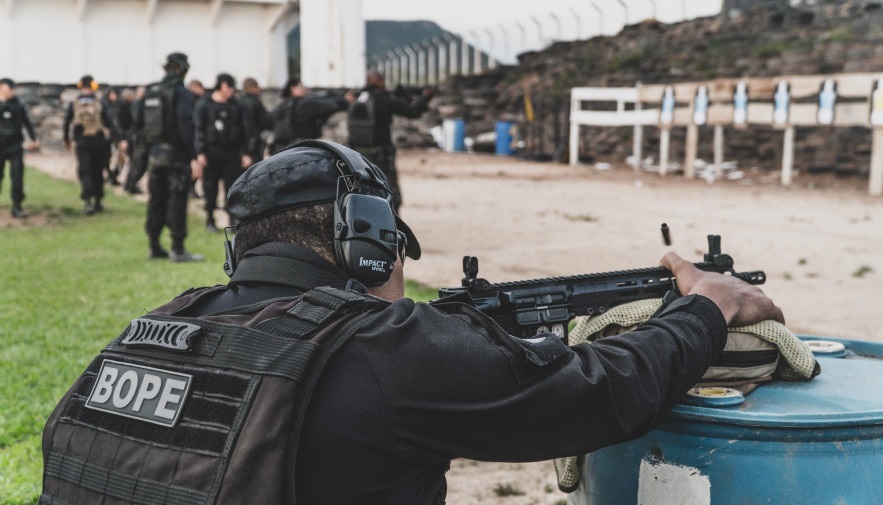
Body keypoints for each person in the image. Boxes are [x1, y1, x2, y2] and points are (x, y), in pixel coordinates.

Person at [39, 141, 784, 504]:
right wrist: (709, 304)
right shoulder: (386, 350)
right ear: (366, 241)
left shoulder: (147, 334)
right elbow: (601, 391)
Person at [139, 52, 203, 261]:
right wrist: (193, 156)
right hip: (175, 155)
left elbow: (139, 122)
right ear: (181, 69)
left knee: (156, 199)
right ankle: (177, 248)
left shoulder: (152, 91)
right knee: (176, 199)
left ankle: (154, 245)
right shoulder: (180, 93)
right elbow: (185, 126)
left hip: (155, 154)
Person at [347, 69, 432, 212]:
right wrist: (425, 97)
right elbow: (412, 111)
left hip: (357, 156)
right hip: (380, 156)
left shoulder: (357, 97)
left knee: (363, 193)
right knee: (390, 195)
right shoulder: (382, 99)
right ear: (379, 82)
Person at [193, 73, 256, 232]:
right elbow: (198, 130)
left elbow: (245, 129)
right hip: (211, 153)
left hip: (232, 153)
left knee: (232, 189)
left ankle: (232, 222)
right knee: (210, 188)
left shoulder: (237, 105)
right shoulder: (204, 105)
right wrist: (200, 152)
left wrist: (246, 153)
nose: (231, 90)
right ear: (221, 85)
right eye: (229, 87)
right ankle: (210, 220)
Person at [63, 75, 123, 215]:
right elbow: (110, 121)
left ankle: (88, 200)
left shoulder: (75, 103)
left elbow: (67, 122)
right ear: (93, 86)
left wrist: (67, 139)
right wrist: (119, 138)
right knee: (97, 171)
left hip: (82, 141)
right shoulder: (100, 102)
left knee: (85, 171)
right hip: (98, 141)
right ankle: (97, 200)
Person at [269, 75, 353, 155]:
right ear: (293, 88)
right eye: (301, 87)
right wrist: (345, 100)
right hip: (298, 150)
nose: (305, 90)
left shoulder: (280, 106)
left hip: (278, 151)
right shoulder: (304, 104)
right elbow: (327, 105)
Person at [0, 78, 38, 218]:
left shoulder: (18, 105)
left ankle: (17, 206)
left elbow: (27, 122)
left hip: (15, 145)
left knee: (17, 177)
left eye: (12, 89)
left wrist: (33, 138)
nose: (11, 92)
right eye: (8, 89)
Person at [239, 77, 271, 162]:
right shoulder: (254, 102)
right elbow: (264, 121)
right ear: (253, 87)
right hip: (254, 141)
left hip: (241, 143)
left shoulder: (238, 102)